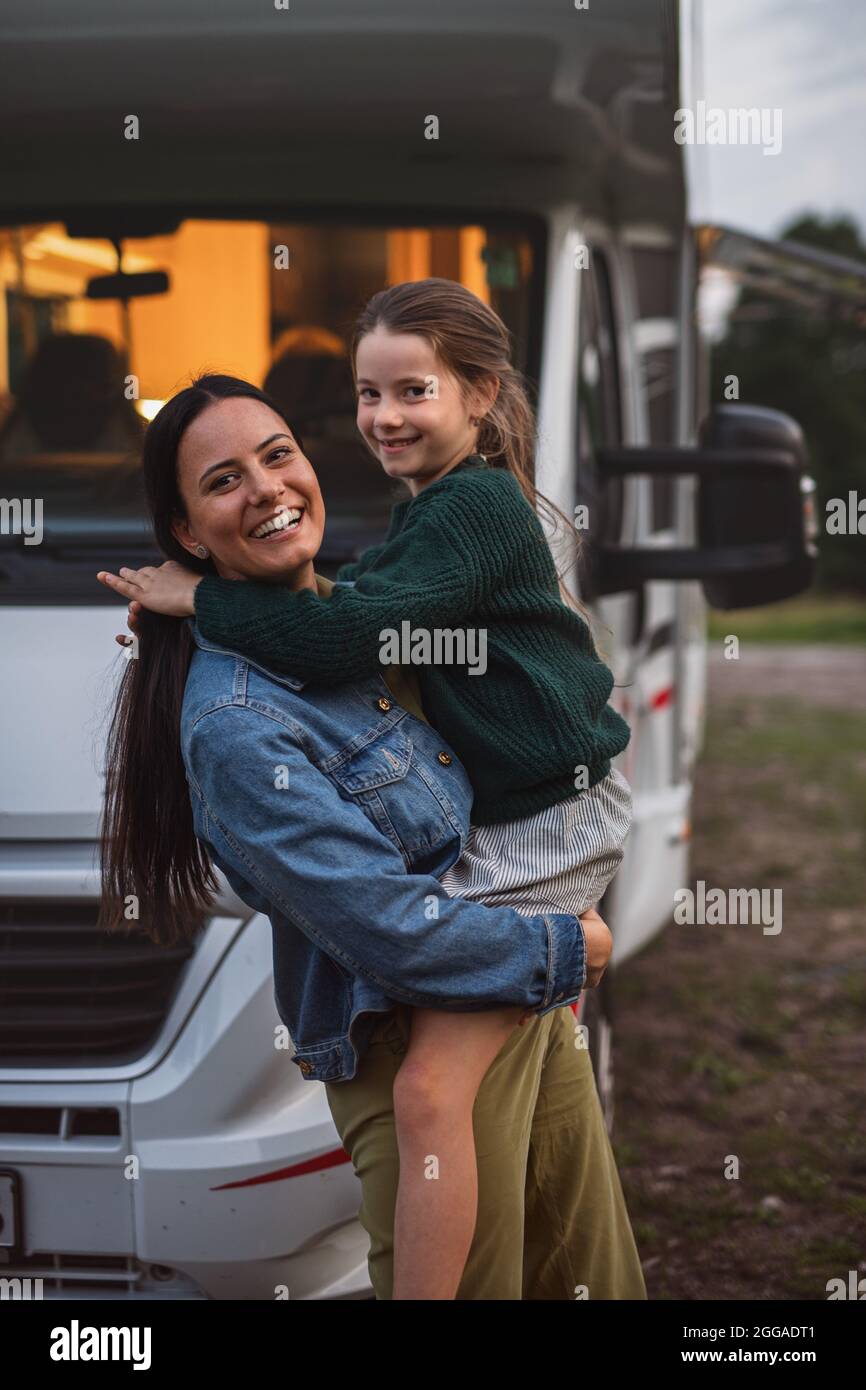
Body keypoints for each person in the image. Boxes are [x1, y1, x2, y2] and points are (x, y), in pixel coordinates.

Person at [97, 286, 644, 1301]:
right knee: (443, 1129)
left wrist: (200, 600)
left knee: (591, 1277)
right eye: (223, 481)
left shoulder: (394, 558)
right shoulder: (236, 724)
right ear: (185, 527)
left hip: (516, 982)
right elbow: (393, 929)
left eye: (275, 453)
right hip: (436, 1015)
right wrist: (570, 944)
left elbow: (350, 628)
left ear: (477, 396)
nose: (266, 487)